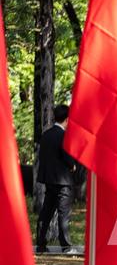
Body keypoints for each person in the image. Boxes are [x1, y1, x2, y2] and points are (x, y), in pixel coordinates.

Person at [36, 104, 77, 254]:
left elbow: (43, 156)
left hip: (49, 180)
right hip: (63, 181)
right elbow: (67, 156)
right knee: (63, 213)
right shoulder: (64, 135)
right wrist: (72, 166)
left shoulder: (46, 135)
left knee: (46, 212)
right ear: (67, 119)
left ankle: (40, 243)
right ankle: (66, 245)